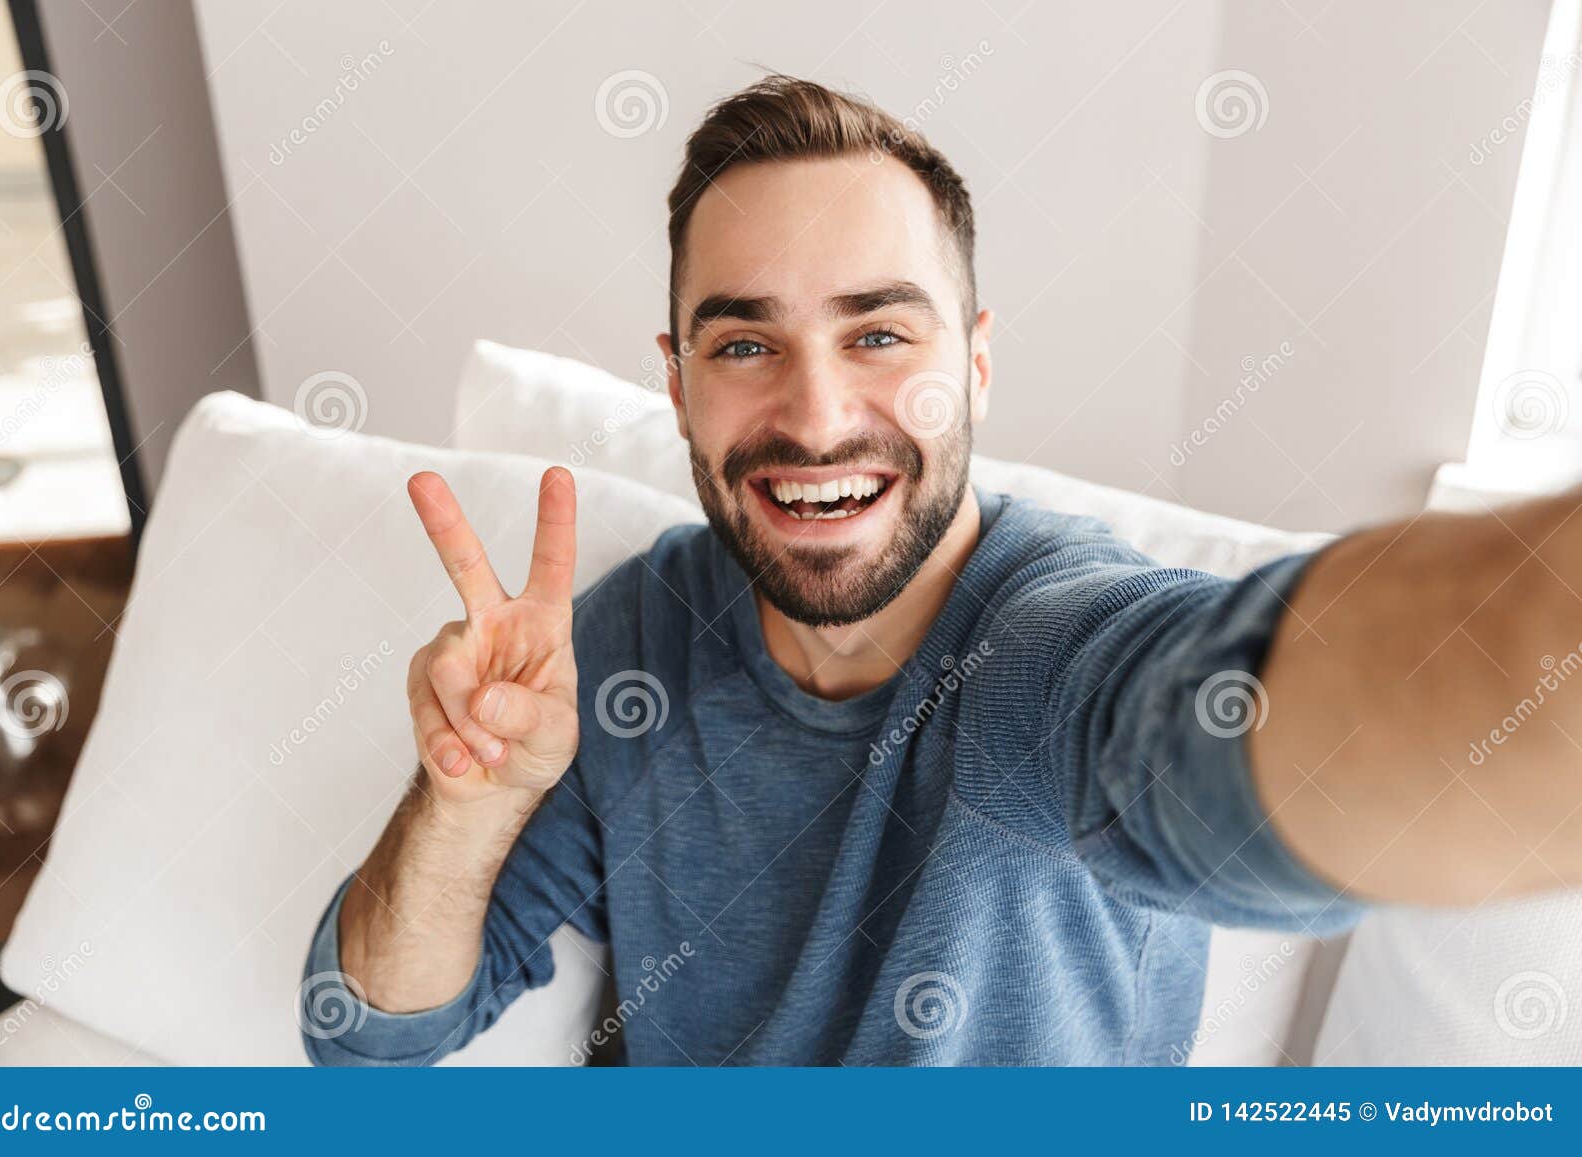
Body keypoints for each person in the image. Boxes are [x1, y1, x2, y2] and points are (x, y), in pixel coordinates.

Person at [302, 75, 1580, 1066]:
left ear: (972, 364)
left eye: (876, 333)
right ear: (678, 383)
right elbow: (363, 1039)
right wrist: (469, 797)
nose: (814, 417)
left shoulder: (1050, 645)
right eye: (743, 344)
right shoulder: (629, 639)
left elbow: (1261, 729)